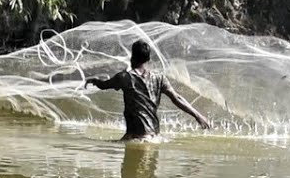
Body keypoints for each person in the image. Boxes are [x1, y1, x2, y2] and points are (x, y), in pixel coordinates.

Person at [83, 39, 212, 141]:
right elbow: (177, 98)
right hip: (154, 137)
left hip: (135, 138)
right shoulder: (159, 78)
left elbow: (104, 85)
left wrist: (95, 81)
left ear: (132, 56)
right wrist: (198, 115)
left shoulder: (124, 77)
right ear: (148, 59)